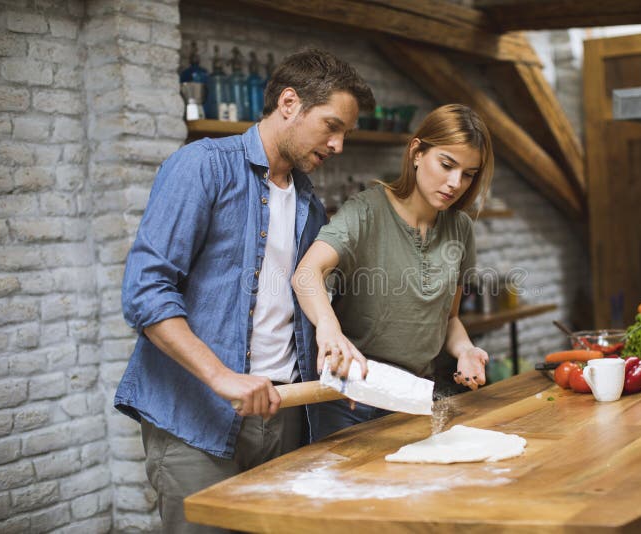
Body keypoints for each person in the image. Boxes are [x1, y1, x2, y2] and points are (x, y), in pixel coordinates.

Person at [114, 48, 374, 533]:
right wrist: (221, 376)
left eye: (346, 134)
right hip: (198, 415)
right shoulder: (202, 167)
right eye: (331, 126)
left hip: (284, 411)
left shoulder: (308, 203)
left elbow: (294, 295)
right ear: (290, 103)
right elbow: (145, 293)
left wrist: (333, 346)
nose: (338, 145)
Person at [291, 104, 495, 440]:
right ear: (417, 152)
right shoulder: (367, 211)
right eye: (447, 164)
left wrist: (466, 350)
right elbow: (306, 273)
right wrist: (328, 327)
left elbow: (449, 319)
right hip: (349, 396)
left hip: (413, 395)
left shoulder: (460, 229)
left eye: (469, 174)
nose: (455, 182)